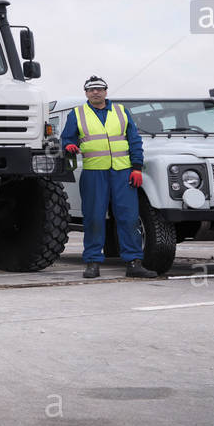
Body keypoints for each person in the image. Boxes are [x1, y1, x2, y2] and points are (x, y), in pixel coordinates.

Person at [60, 76, 158, 279]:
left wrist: (137, 168)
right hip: (94, 173)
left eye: (99, 89)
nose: (96, 92)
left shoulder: (121, 112)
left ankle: (133, 263)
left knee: (129, 218)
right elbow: (67, 138)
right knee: (94, 218)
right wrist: (68, 146)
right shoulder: (77, 114)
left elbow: (134, 140)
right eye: (91, 90)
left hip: (123, 173)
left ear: (106, 91)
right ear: (86, 93)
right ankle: (93, 263)